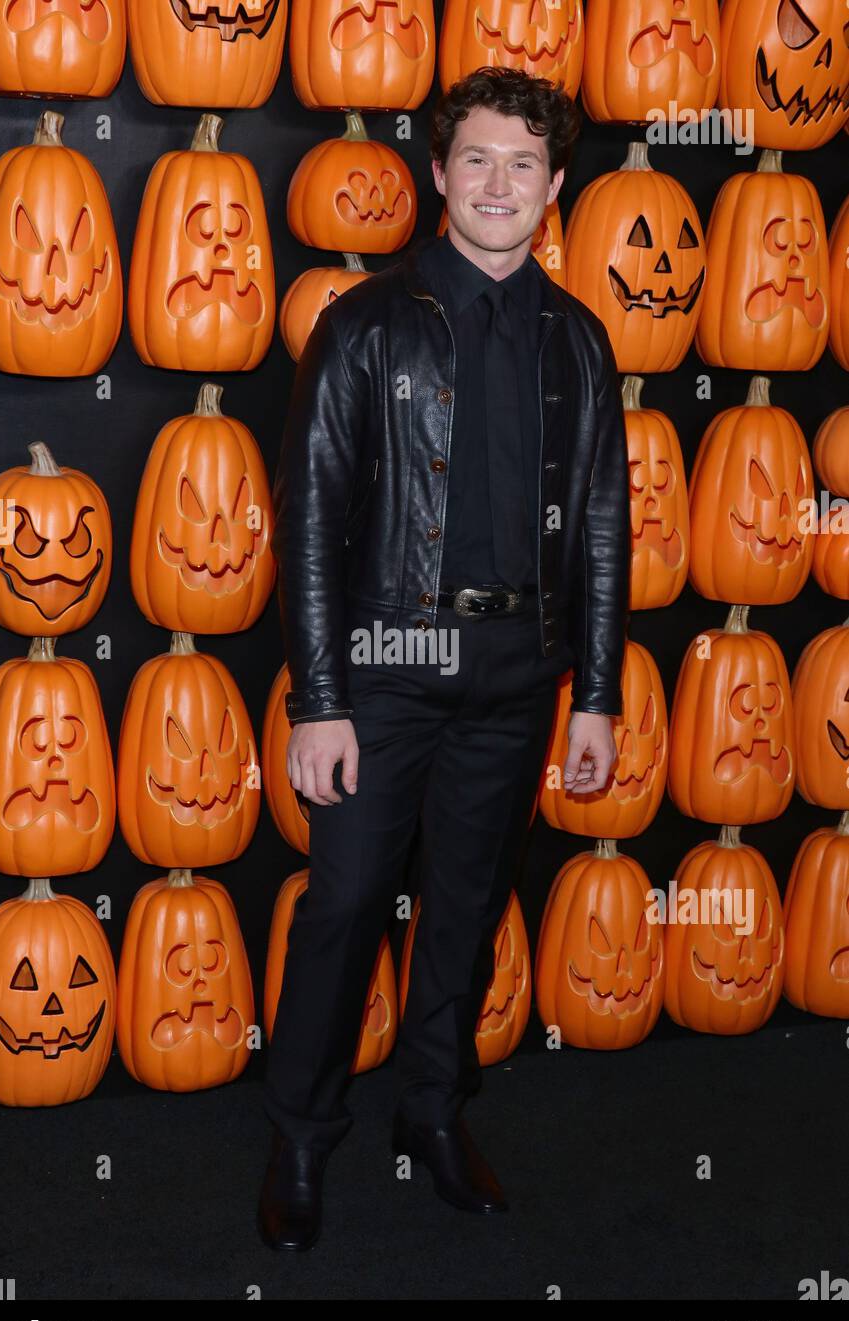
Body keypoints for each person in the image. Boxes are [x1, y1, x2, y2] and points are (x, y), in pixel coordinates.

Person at [258, 65, 630, 1252]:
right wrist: (320, 700)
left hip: (517, 673)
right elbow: (309, 517)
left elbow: (607, 524)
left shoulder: (580, 339)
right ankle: (303, 1137)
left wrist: (599, 693)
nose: (499, 183)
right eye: (476, 158)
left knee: (467, 913)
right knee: (348, 907)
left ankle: (432, 1113)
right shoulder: (360, 326)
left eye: (524, 163)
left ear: (555, 185)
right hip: (384, 668)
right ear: (436, 174)